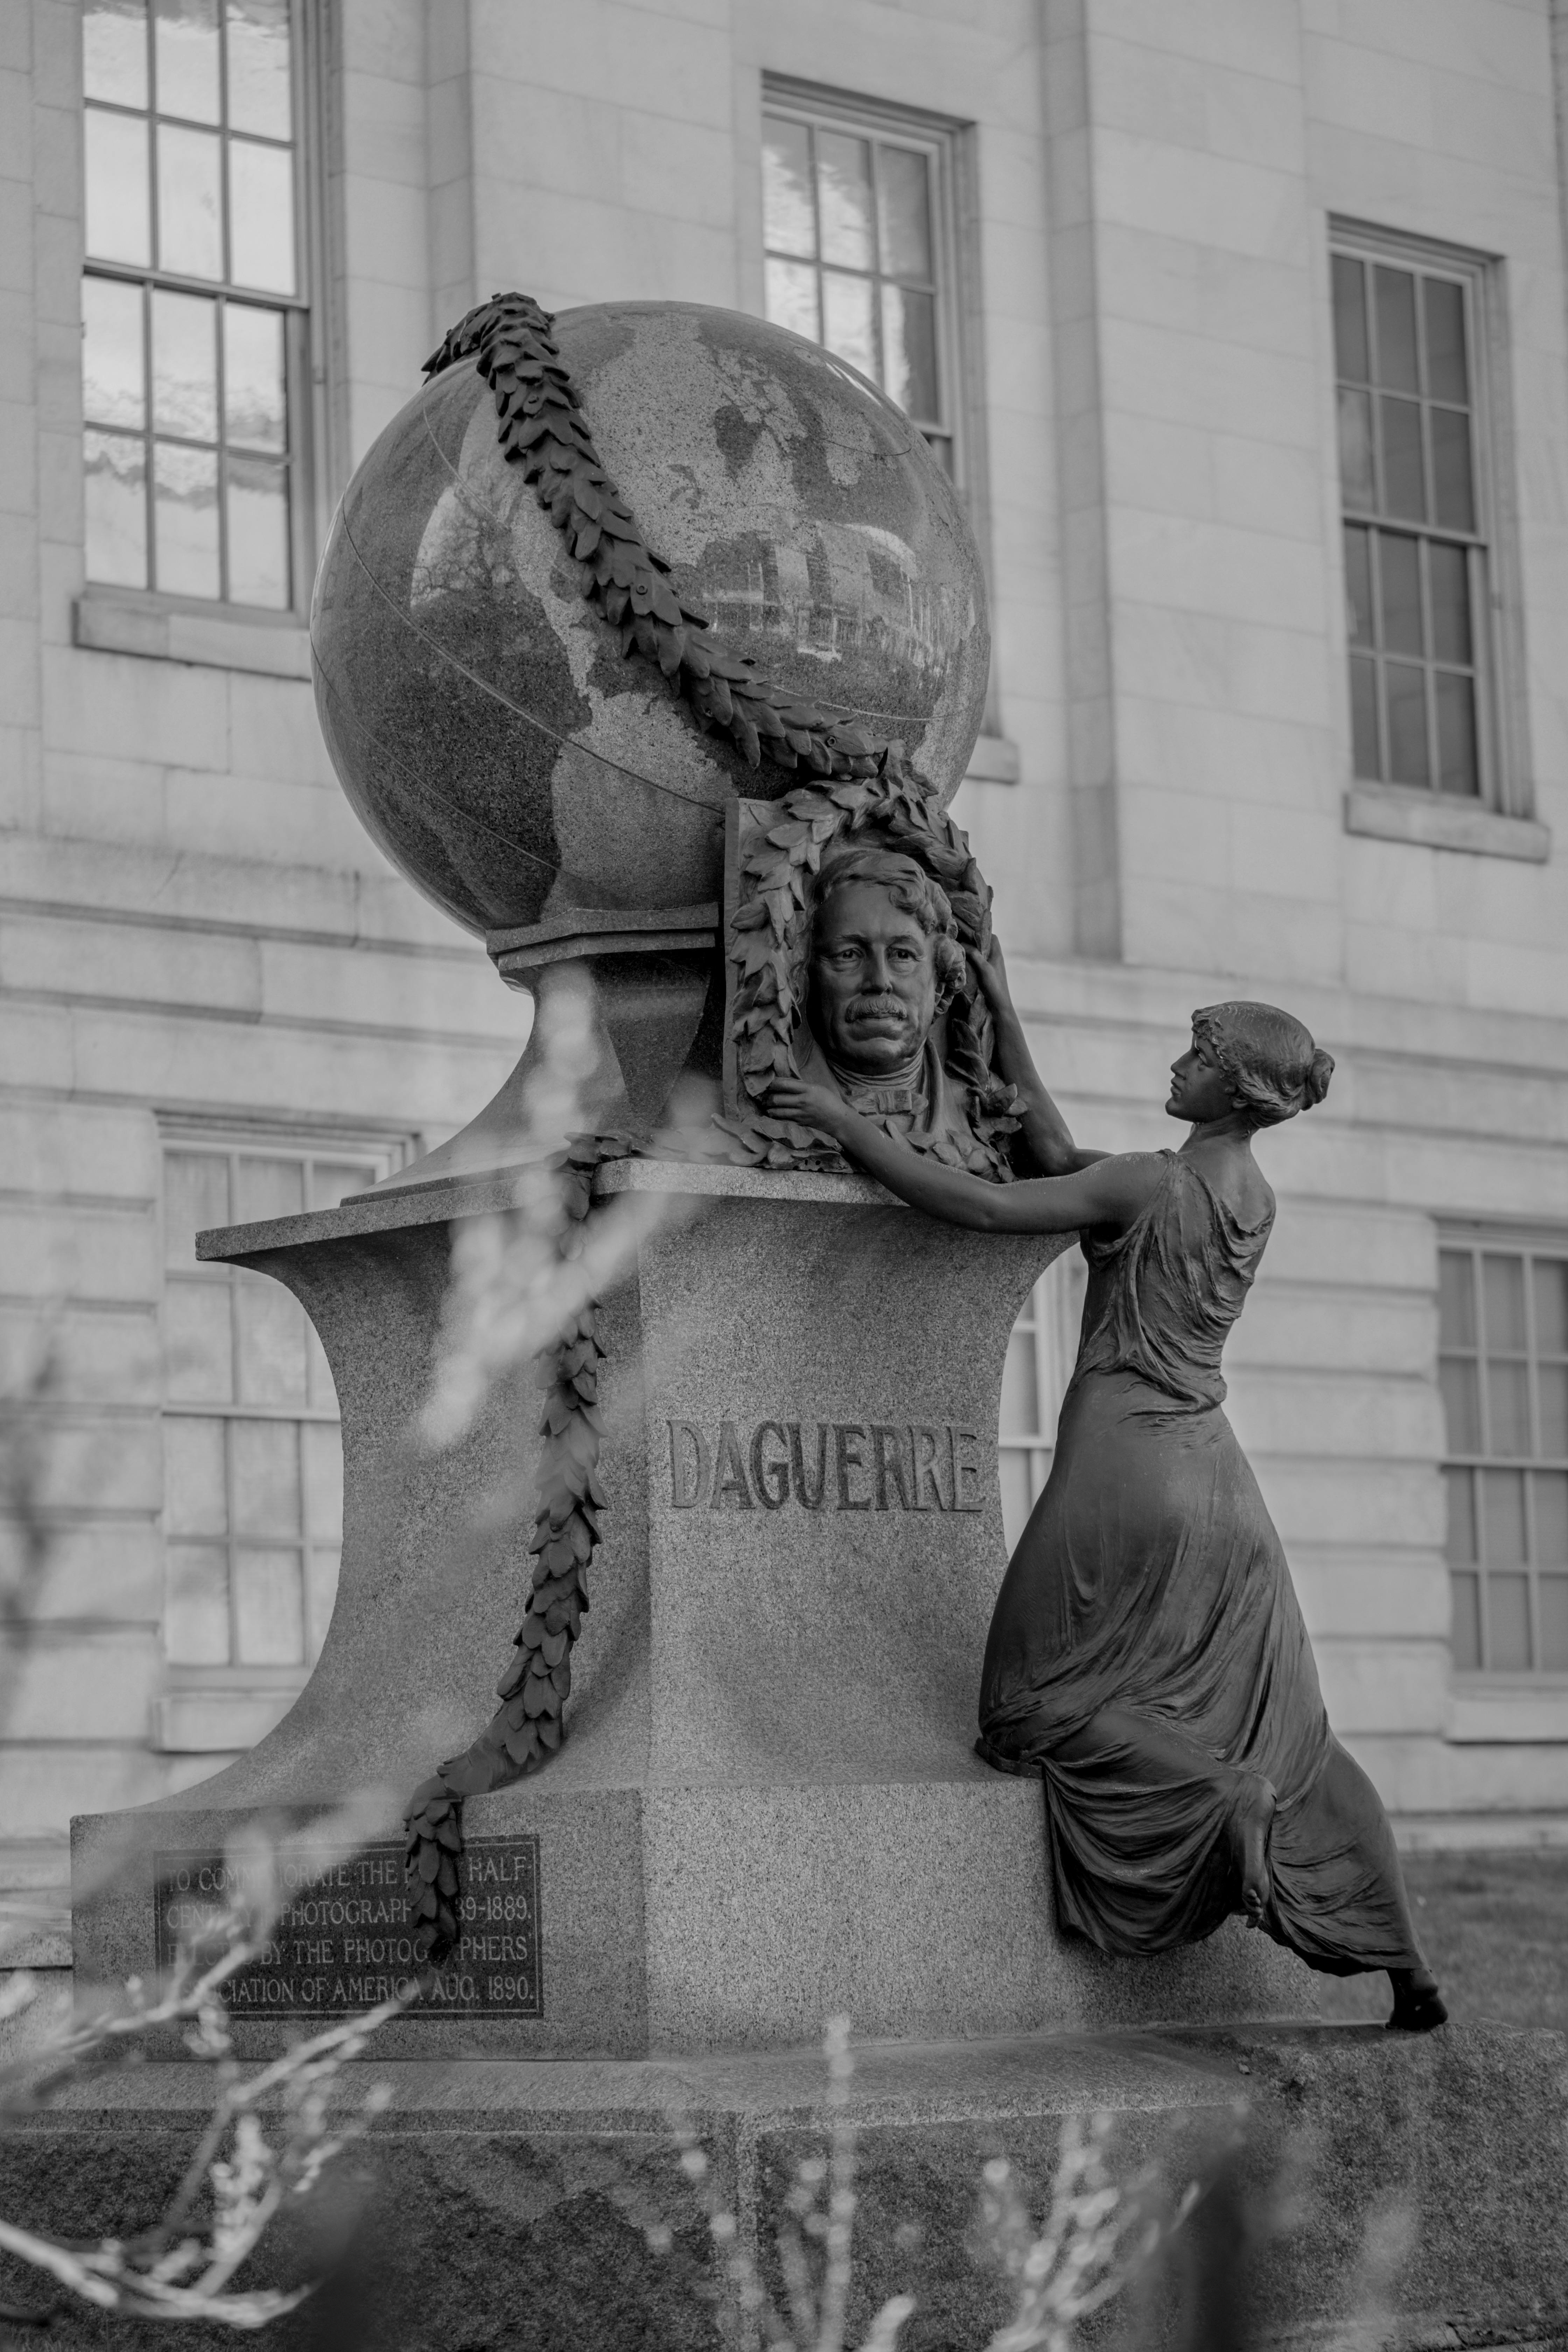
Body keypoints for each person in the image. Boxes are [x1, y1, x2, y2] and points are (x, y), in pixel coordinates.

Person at [768, 942, 1446, 2031]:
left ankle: (1221, 1804)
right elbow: (1054, 1152)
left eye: (1199, 1055)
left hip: (1126, 1468)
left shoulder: (1149, 1181)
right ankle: (1405, 1963)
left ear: (1235, 1088)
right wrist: (997, 1000)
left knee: (1031, 1706)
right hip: (1220, 1484)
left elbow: (988, 1207)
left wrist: (844, 1123)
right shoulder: (1246, 1195)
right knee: (1294, 1738)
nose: (1179, 1065)